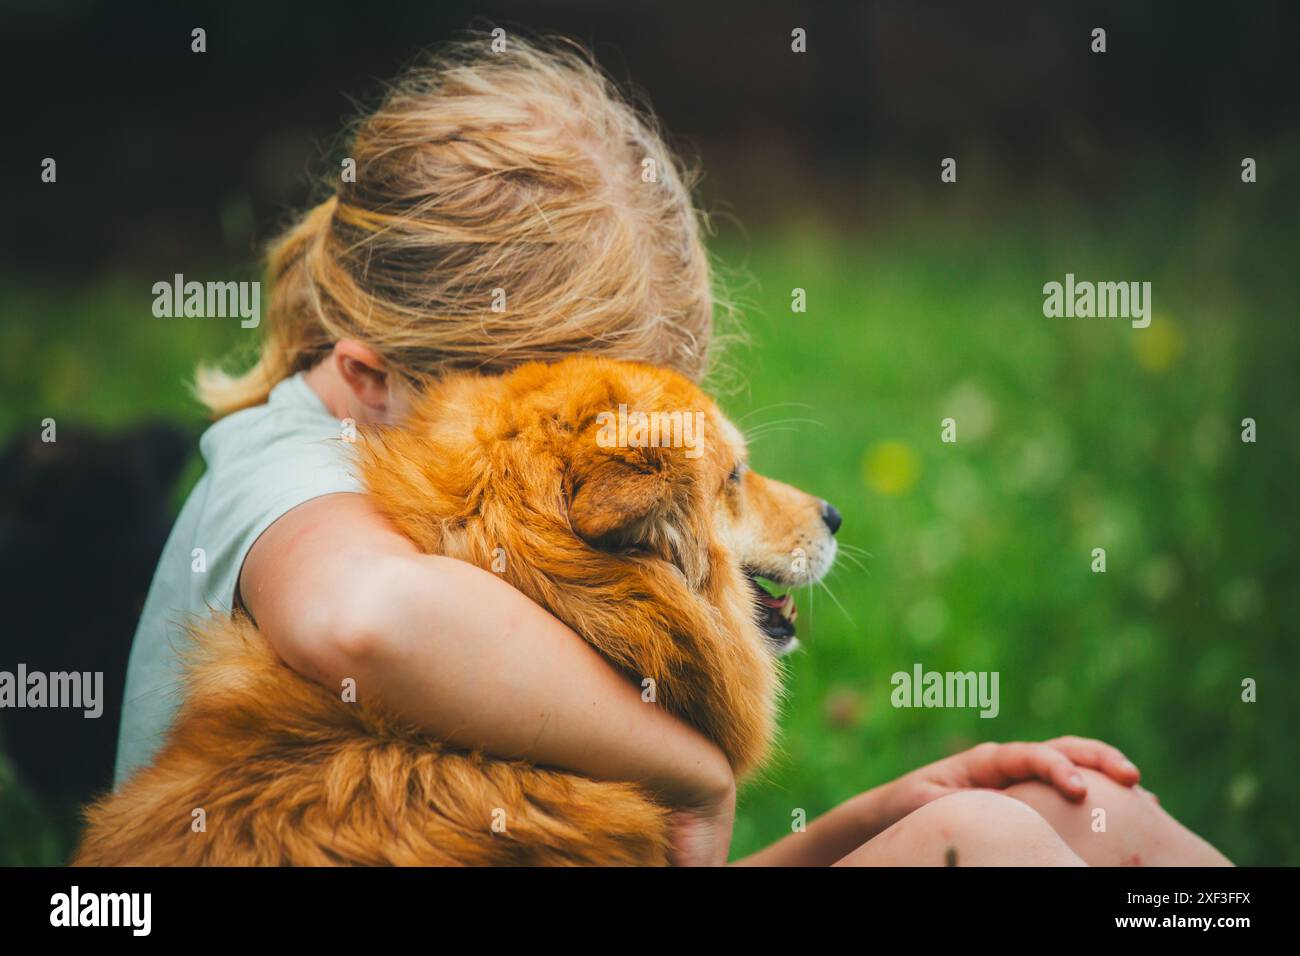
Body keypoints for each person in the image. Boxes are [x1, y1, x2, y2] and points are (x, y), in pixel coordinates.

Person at [116, 32, 1230, 867]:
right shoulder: (287, 465)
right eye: (575, 417)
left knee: (1081, 817)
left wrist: (880, 816)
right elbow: (363, 616)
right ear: (376, 378)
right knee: (988, 844)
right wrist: (687, 762)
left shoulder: (465, 497)